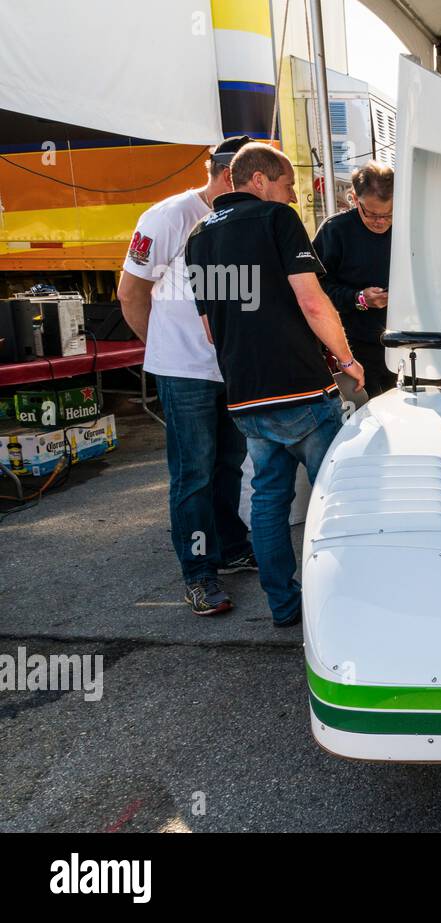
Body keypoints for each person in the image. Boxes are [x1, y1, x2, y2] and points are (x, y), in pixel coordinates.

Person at [185, 143, 364, 628]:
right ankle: (346, 601)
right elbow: (312, 301)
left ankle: (284, 605)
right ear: (260, 180)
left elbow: (210, 328)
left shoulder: (199, 238)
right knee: (336, 492)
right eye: (286, 187)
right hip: (300, 387)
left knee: (267, 499)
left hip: (244, 393)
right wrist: (347, 359)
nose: (289, 198)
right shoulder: (276, 221)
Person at [118, 135, 256, 617]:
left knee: (228, 464)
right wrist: (163, 350)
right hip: (185, 373)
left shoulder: (245, 219)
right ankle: (199, 573)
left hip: (233, 370)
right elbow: (131, 293)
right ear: (229, 176)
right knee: (193, 473)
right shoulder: (170, 215)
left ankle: (232, 546)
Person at [313, 162, 396, 393]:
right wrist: (358, 298)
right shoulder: (335, 231)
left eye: (388, 214)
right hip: (353, 347)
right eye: (371, 214)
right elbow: (314, 290)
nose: (381, 222)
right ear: (354, 199)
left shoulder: (407, 226)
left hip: (404, 344)